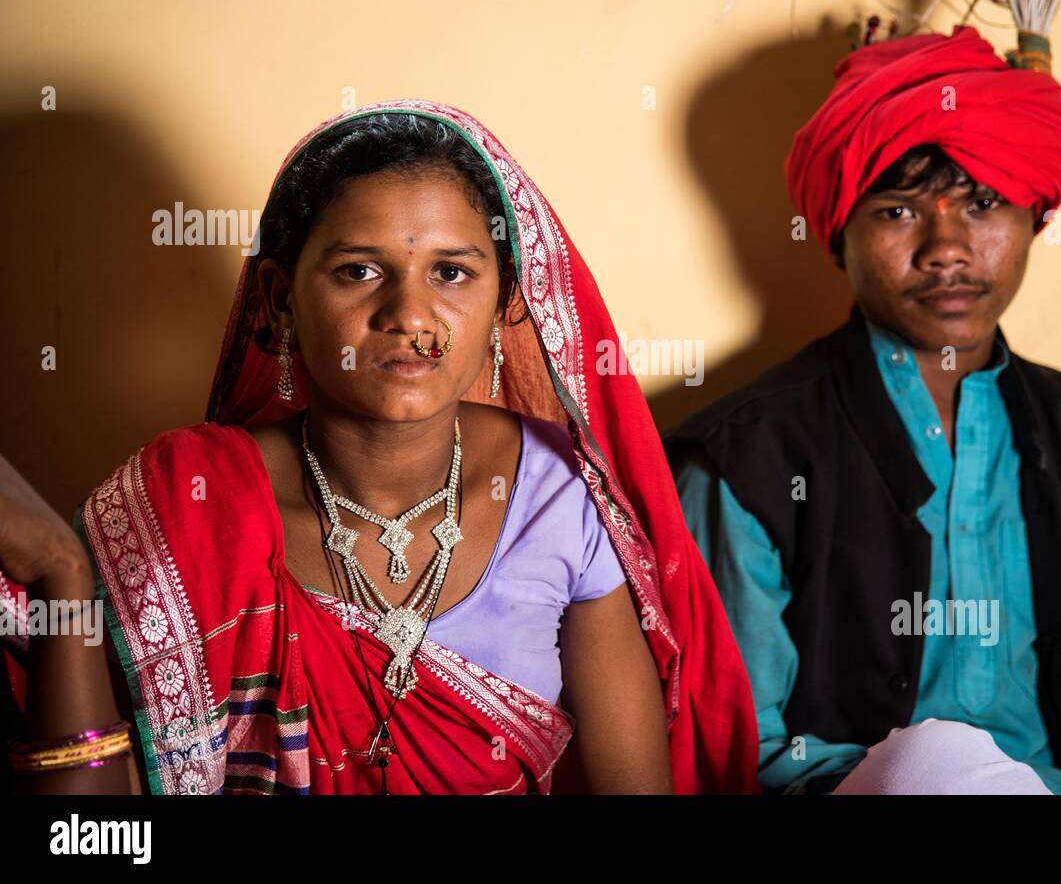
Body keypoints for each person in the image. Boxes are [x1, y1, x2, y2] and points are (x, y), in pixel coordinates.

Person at [0, 100, 759, 795]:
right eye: (358, 270)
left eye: (453, 272)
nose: (409, 313)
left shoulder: (559, 494)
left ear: (505, 305)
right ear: (279, 300)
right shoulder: (186, 502)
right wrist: (64, 573)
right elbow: (85, 839)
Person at [665, 26, 1061, 795]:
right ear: (837, 235)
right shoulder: (747, 457)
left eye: (984, 203)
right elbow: (739, 743)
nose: (947, 248)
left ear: (1036, 216)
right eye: (897, 211)